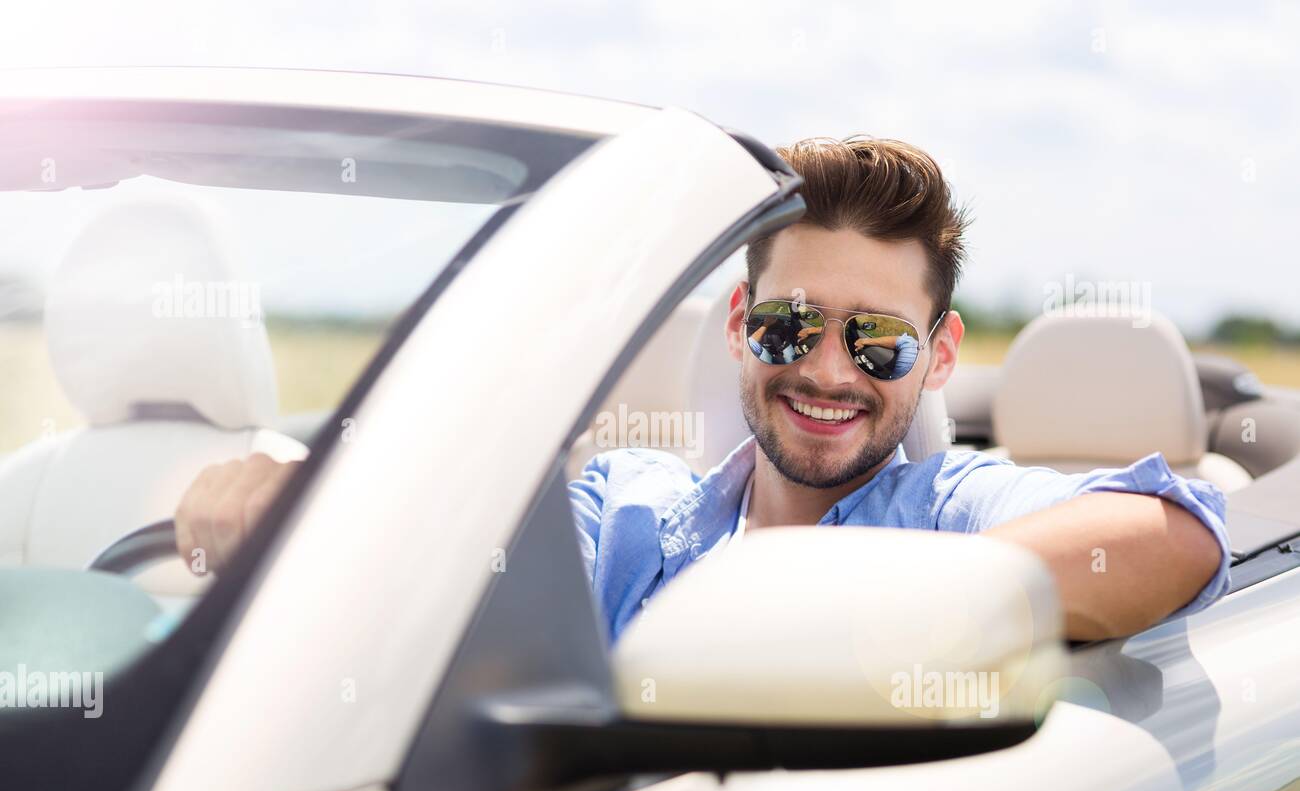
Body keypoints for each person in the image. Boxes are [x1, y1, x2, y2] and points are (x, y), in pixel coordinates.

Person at [174, 136, 1229, 643]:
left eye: (877, 341)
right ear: (737, 325)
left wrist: (862, 600)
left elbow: (1173, 535)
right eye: (788, 324)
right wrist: (297, 503)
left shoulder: (948, 506)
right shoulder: (627, 503)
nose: (826, 370)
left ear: (940, 355)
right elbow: (465, 547)